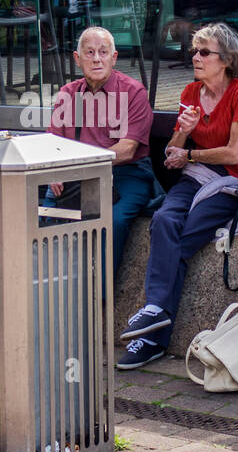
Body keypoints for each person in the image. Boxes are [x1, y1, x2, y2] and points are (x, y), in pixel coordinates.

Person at [118, 22, 238, 370]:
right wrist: (185, 132)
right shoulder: (190, 91)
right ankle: (154, 315)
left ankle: (151, 337)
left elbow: (235, 154)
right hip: (193, 176)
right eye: (194, 51)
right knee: (164, 220)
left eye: (204, 52)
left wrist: (191, 154)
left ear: (225, 59)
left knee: (180, 240)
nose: (195, 57)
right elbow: (171, 153)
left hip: (230, 181)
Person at [45, 26, 160, 275]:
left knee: (114, 221)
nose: (97, 58)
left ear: (114, 57)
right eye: (89, 52)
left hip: (126, 173)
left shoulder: (133, 92)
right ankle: (52, 289)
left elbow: (128, 149)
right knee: (47, 214)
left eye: (103, 52)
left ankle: (100, 296)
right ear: (77, 59)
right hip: (75, 174)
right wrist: (53, 169)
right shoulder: (68, 93)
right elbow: (52, 143)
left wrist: (85, 165)